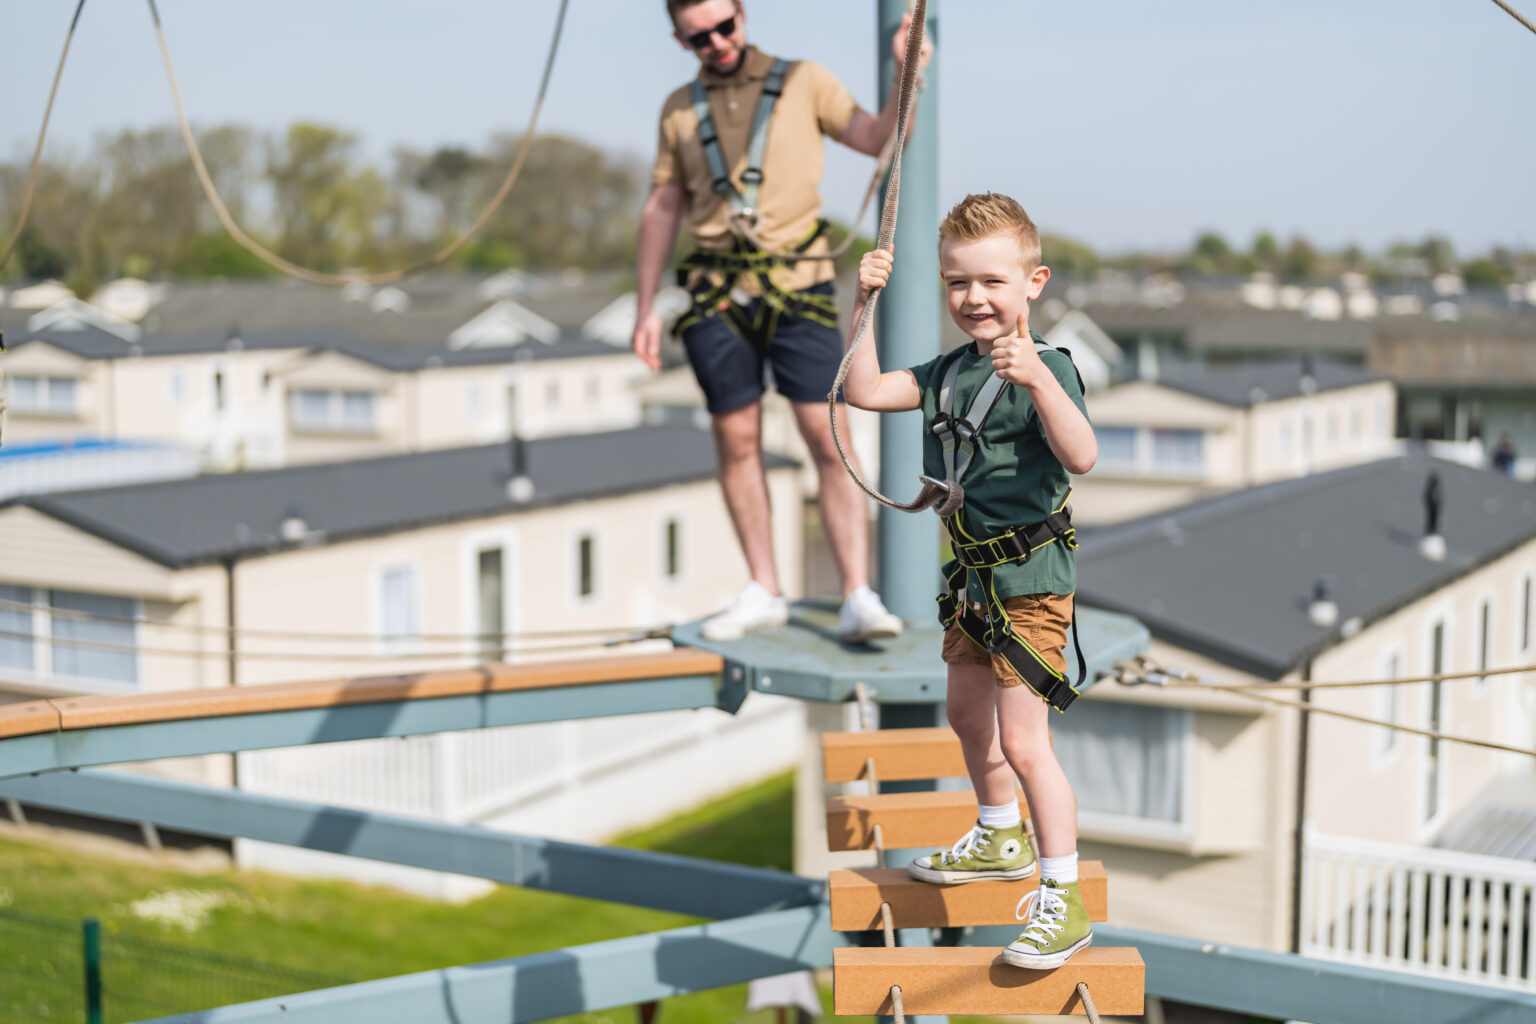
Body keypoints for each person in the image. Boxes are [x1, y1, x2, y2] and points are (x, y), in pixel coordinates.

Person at [843, 193, 1099, 970]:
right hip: (973, 583)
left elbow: (1082, 455)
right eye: (958, 283)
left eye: (992, 282)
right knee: (965, 714)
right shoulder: (948, 371)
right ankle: (999, 833)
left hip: (1030, 582)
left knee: (1025, 741)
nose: (974, 299)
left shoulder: (1045, 367)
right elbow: (864, 390)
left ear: (1033, 282)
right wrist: (861, 304)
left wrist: (1043, 386)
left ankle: (1064, 897)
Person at [632, 0, 929, 643]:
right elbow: (662, 205)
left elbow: (878, 138)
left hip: (799, 288)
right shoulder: (679, 110)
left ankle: (856, 591)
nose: (716, 42)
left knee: (827, 436)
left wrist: (907, 71)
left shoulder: (804, 82)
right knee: (737, 441)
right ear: (681, 42)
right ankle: (764, 587)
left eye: (724, 26)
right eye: (699, 36)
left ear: (742, 15)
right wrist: (645, 306)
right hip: (716, 295)